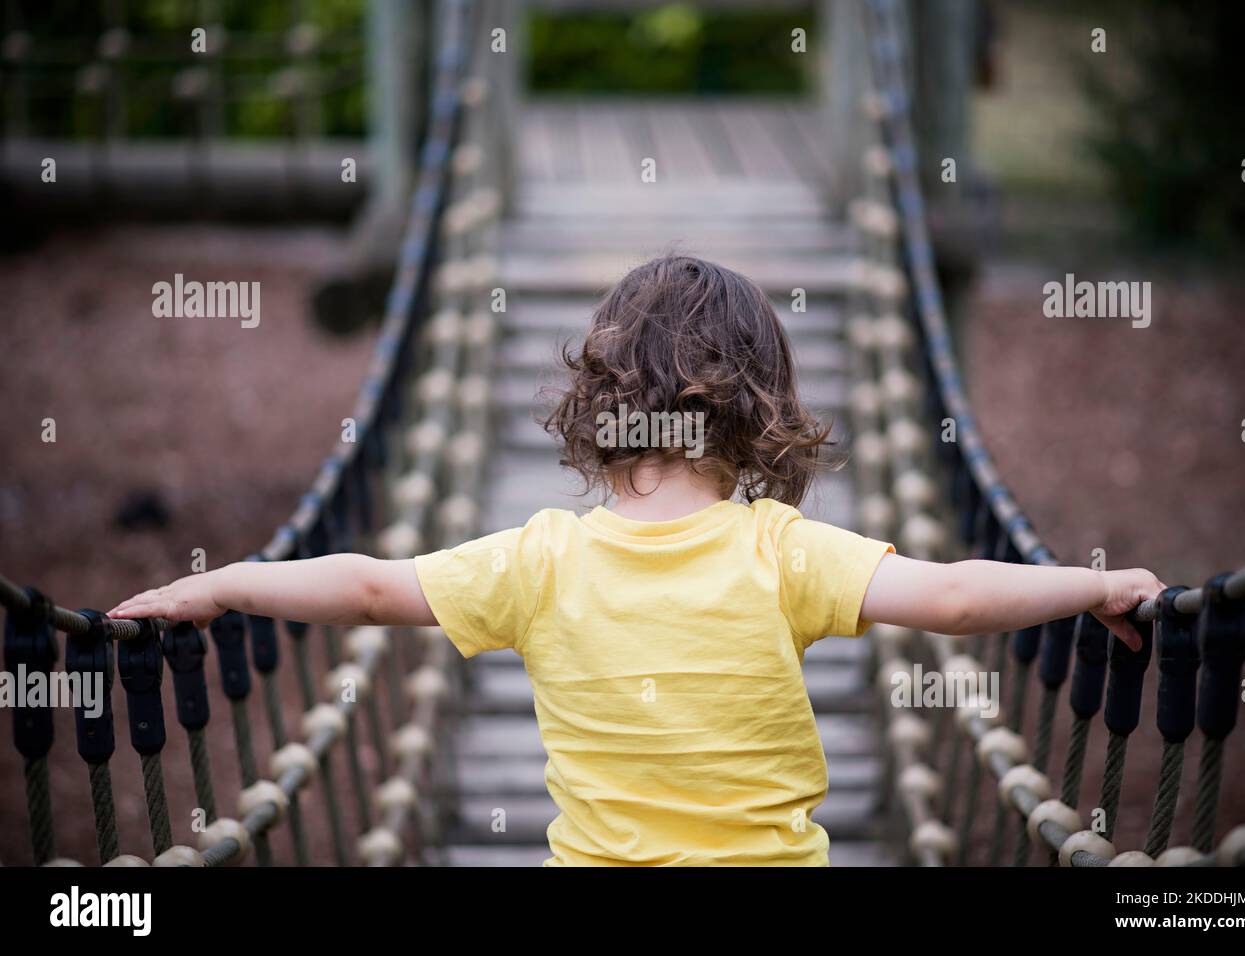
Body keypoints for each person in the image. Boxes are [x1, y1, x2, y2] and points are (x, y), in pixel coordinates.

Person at [110, 254, 1164, 866]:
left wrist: (225, 581)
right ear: (760, 408)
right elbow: (953, 599)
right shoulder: (777, 549)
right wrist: (1098, 580)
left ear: (595, 408)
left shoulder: (539, 560)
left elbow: (373, 584)